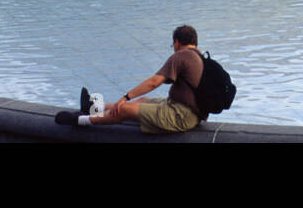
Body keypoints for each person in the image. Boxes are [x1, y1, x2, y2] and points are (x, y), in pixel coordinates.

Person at [54, 25, 209, 134]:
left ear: (176, 42)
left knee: (125, 109)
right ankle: (93, 106)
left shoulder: (181, 56)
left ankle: (81, 120)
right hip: (184, 111)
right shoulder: (199, 57)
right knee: (142, 100)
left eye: (173, 44)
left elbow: (154, 82)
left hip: (181, 116)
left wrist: (125, 97)